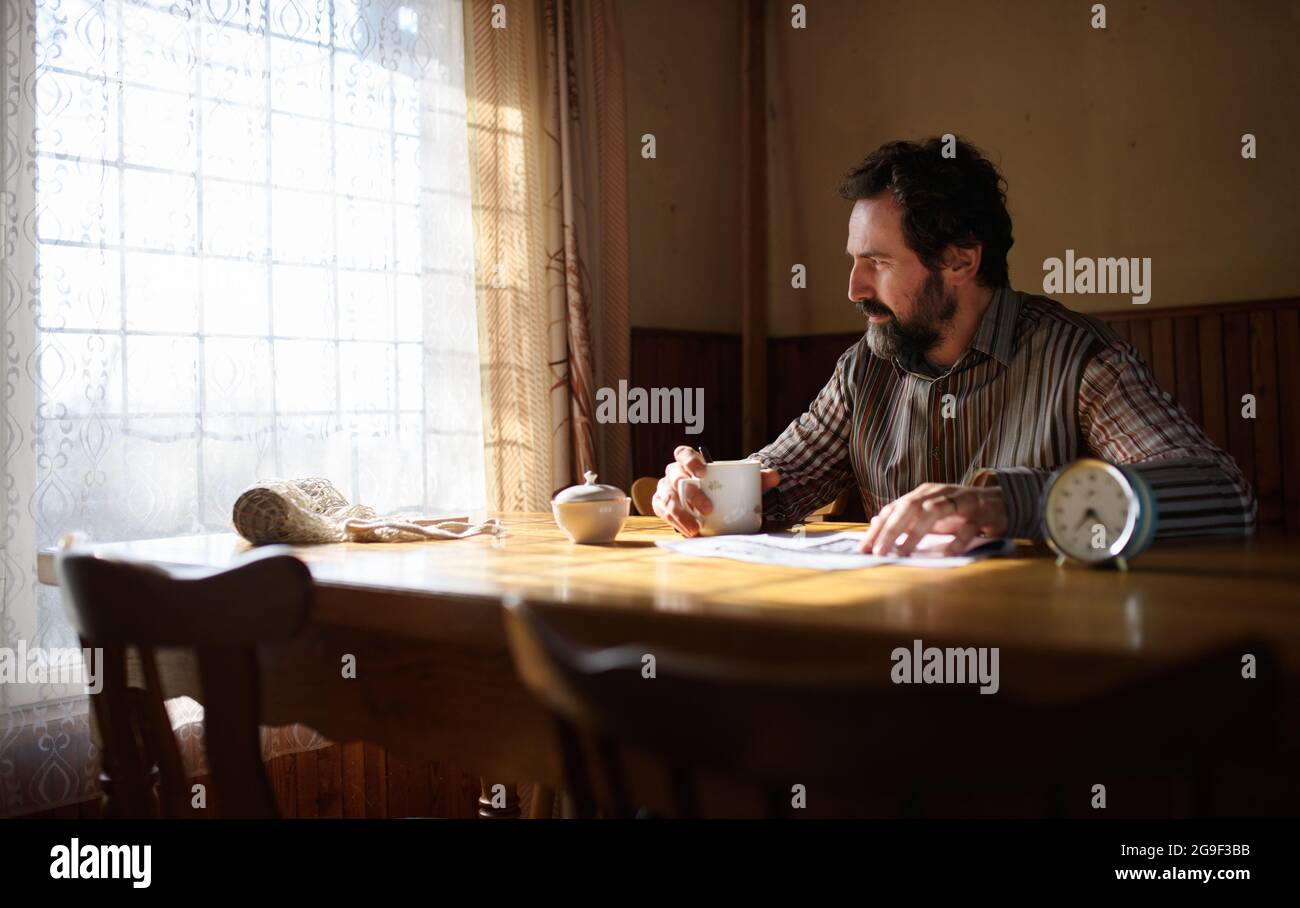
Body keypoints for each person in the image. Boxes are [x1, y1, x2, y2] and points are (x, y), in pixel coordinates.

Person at [652, 137, 1255, 555]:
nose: (853, 288)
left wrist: (1008, 505)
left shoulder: (1079, 360)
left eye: (877, 263)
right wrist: (704, 491)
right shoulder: (869, 364)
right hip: (889, 666)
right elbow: (781, 480)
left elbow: (1223, 499)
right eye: (854, 261)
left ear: (962, 259)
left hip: (1050, 680)